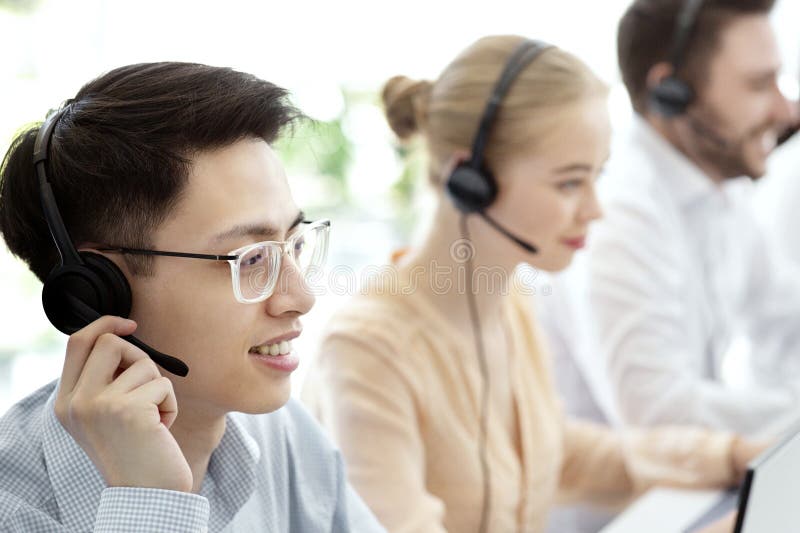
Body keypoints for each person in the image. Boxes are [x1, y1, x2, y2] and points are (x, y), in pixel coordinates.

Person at [302, 35, 760, 533]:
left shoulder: (511, 302)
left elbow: (558, 451)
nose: (595, 209)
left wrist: (731, 456)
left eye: (596, 177)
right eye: (569, 182)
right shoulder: (368, 352)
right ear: (471, 180)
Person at [0, 62, 385, 532]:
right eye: (250, 259)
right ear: (98, 291)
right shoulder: (15, 510)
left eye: (295, 244)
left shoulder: (283, 434)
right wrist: (150, 503)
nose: (301, 297)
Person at [587, 0, 800, 437]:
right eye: (760, 85)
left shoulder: (721, 185)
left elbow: (782, 314)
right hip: (632, 501)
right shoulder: (619, 212)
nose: (786, 111)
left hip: (700, 485)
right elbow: (658, 413)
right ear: (672, 92)